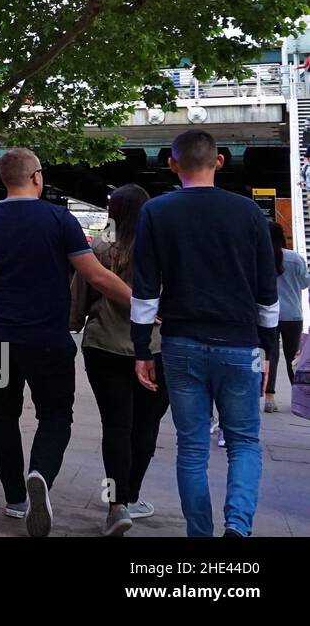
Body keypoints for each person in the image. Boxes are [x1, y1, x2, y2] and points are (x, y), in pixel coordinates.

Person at [0, 148, 133, 537]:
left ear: (4, 179)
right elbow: (96, 277)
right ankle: (41, 473)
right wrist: (142, 305)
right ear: (36, 176)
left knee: (3, 413)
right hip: (49, 339)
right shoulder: (59, 219)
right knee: (55, 415)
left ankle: (16, 499)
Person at [130, 130, 280, 538]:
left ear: (173, 165)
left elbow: (144, 291)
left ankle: (200, 532)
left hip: (180, 343)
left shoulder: (156, 212)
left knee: (192, 447)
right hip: (240, 344)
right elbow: (267, 294)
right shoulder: (249, 214)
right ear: (219, 162)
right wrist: (267, 350)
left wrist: (142, 349)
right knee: (244, 442)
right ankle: (237, 527)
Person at [70, 183, 169, 537]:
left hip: (103, 347)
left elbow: (80, 294)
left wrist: (75, 322)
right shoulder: (164, 246)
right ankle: (132, 495)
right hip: (157, 349)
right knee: (146, 427)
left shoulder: (98, 247)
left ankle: (116, 504)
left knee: (115, 426)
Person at [265, 222, 308, 413]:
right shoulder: (295, 259)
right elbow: (305, 284)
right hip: (292, 314)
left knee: (270, 355)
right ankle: (296, 396)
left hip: (267, 313)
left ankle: (269, 398)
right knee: (293, 356)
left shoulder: (260, 258)